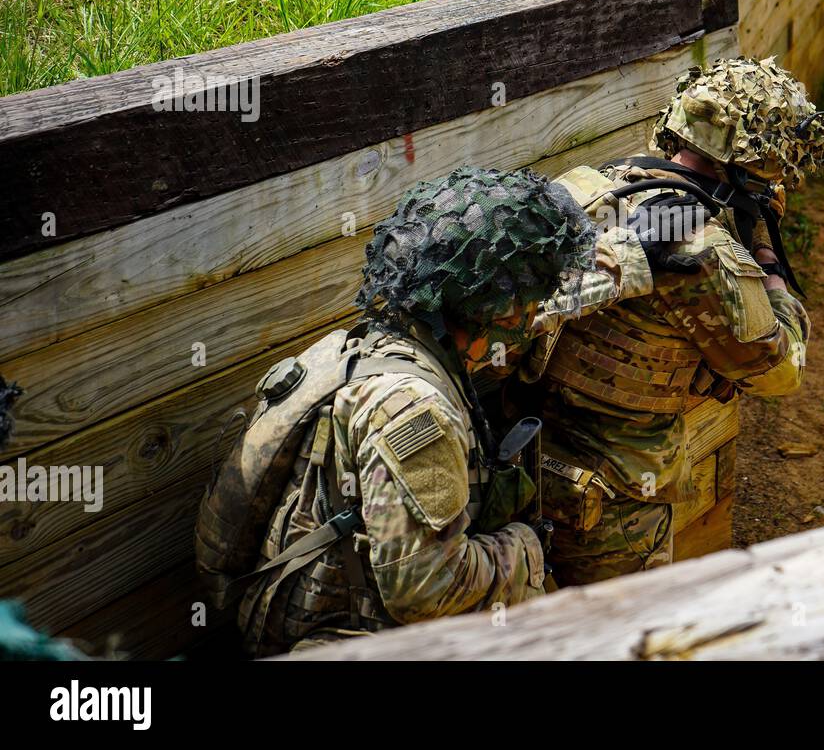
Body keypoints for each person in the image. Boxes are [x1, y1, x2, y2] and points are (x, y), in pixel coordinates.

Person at [196, 167, 654, 655]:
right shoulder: (416, 413)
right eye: (524, 307)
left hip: (295, 611)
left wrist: (626, 264)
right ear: (493, 313)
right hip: (341, 640)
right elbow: (426, 591)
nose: (526, 324)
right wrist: (524, 550)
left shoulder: (368, 345)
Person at [524, 57, 824, 585]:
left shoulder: (592, 186)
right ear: (752, 163)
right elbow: (782, 371)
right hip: (613, 502)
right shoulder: (703, 253)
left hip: (521, 464)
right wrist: (769, 262)